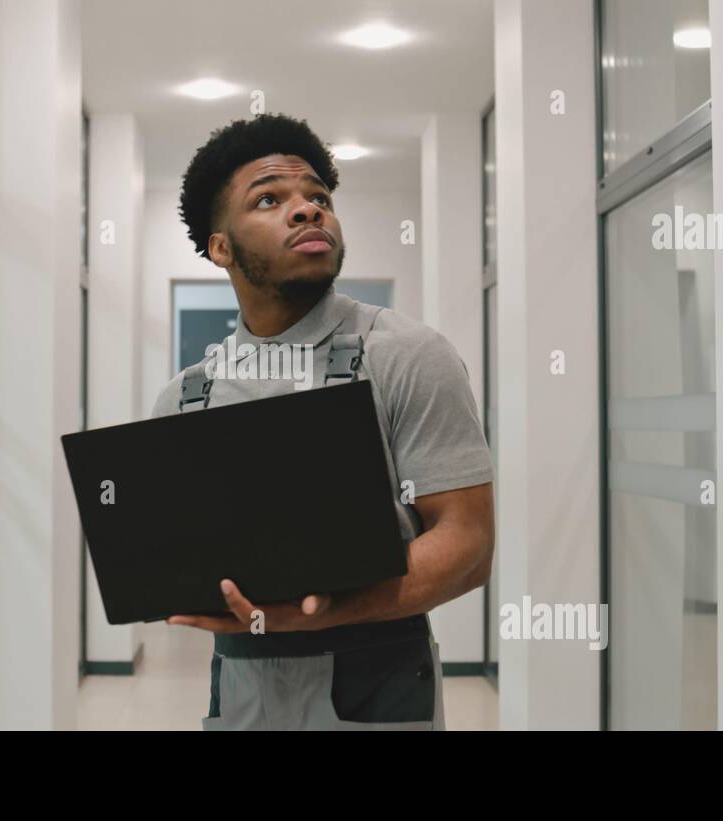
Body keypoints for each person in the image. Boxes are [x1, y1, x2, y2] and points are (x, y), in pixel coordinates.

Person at [150, 113, 495, 730]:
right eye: (269, 199)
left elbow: (468, 545)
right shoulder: (186, 398)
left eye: (319, 197)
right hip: (241, 688)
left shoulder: (406, 354)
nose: (308, 211)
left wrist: (331, 610)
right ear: (220, 247)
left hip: (381, 683)